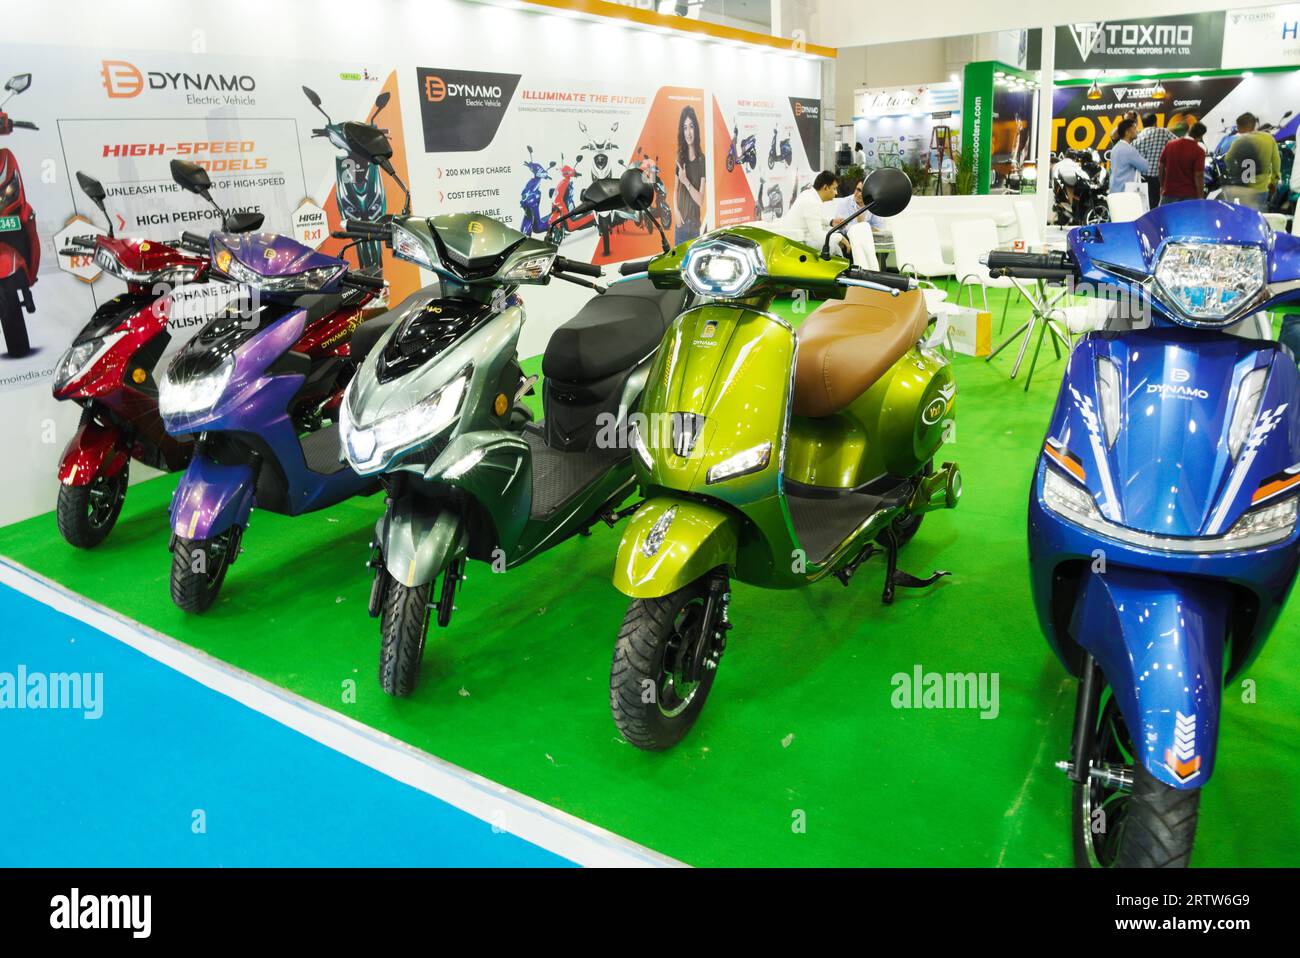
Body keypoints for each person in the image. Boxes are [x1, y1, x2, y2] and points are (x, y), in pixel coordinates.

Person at [1223, 112, 1281, 211]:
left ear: (1241, 127)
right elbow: (1276, 161)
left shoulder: (1239, 141)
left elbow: (1227, 159)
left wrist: (1235, 171)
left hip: (1244, 188)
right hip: (1263, 187)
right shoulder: (1268, 138)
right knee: (1261, 217)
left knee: (1246, 216)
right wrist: (1274, 181)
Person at [673, 105, 706, 244]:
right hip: (680, 226)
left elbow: (700, 200)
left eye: (691, 126)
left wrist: (685, 181)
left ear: (696, 129)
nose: (688, 132)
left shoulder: (702, 160)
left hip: (694, 229)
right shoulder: (680, 158)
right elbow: (675, 190)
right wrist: (676, 212)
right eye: (685, 127)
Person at [789, 170, 842, 249]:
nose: (836, 193)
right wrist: (840, 238)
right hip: (795, 245)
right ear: (825, 188)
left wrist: (831, 222)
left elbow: (814, 218)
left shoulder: (808, 194)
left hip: (794, 241)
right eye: (834, 189)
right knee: (835, 247)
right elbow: (818, 236)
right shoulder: (812, 202)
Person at [1134, 112, 1175, 209]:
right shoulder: (1163, 132)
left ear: (1142, 123)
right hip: (1161, 177)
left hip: (1143, 178)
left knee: (1146, 206)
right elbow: (1179, 143)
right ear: (1155, 122)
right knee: (1162, 205)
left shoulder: (1137, 137)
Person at [1158, 122, 1206, 205]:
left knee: (1167, 217)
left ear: (1189, 130)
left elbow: (1161, 166)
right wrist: (1200, 197)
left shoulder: (1170, 145)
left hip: (1169, 192)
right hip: (1189, 194)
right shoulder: (1199, 151)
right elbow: (1198, 175)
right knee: (1188, 218)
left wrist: (1162, 185)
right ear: (1201, 136)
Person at [1108, 118, 1149, 196]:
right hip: (1126, 193)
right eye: (1134, 128)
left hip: (1115, 191)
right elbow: (1145, 167)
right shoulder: (1129, 150)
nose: (1137, 131)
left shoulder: (1115, 148)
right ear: (1127, 132)